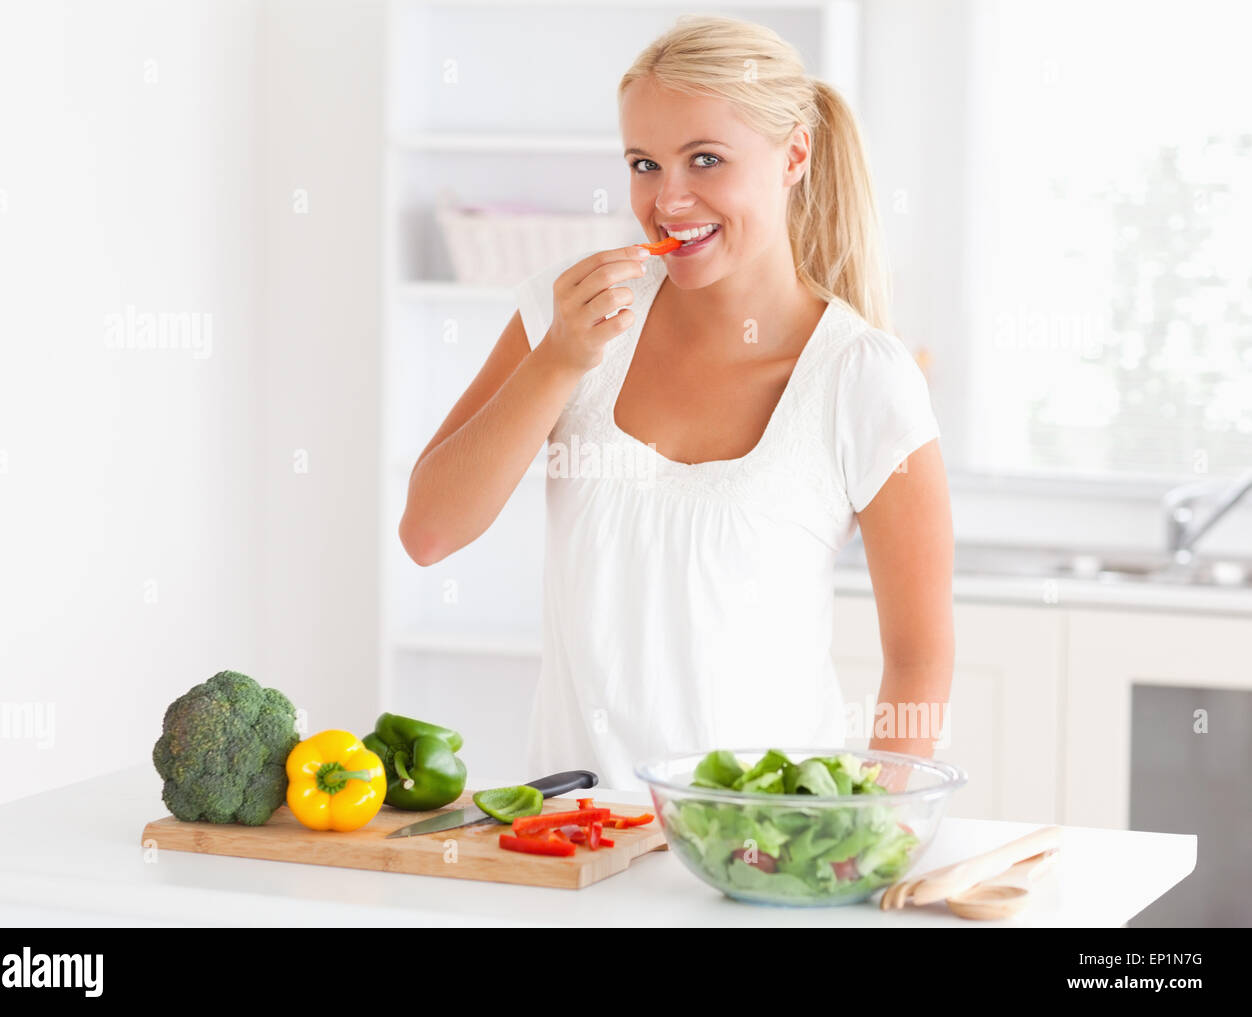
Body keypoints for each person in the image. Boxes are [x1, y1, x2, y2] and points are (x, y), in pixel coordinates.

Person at [399, 14, 954, 792]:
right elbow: (428, 531)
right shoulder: (566, 319)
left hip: (762, 850)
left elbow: (920, 656)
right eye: (644, 164)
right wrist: (558, 360)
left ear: (794, 154)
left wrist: (866, 832)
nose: (669, 199)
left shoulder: (862, 377)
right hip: (574, 840)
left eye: (705, 160)